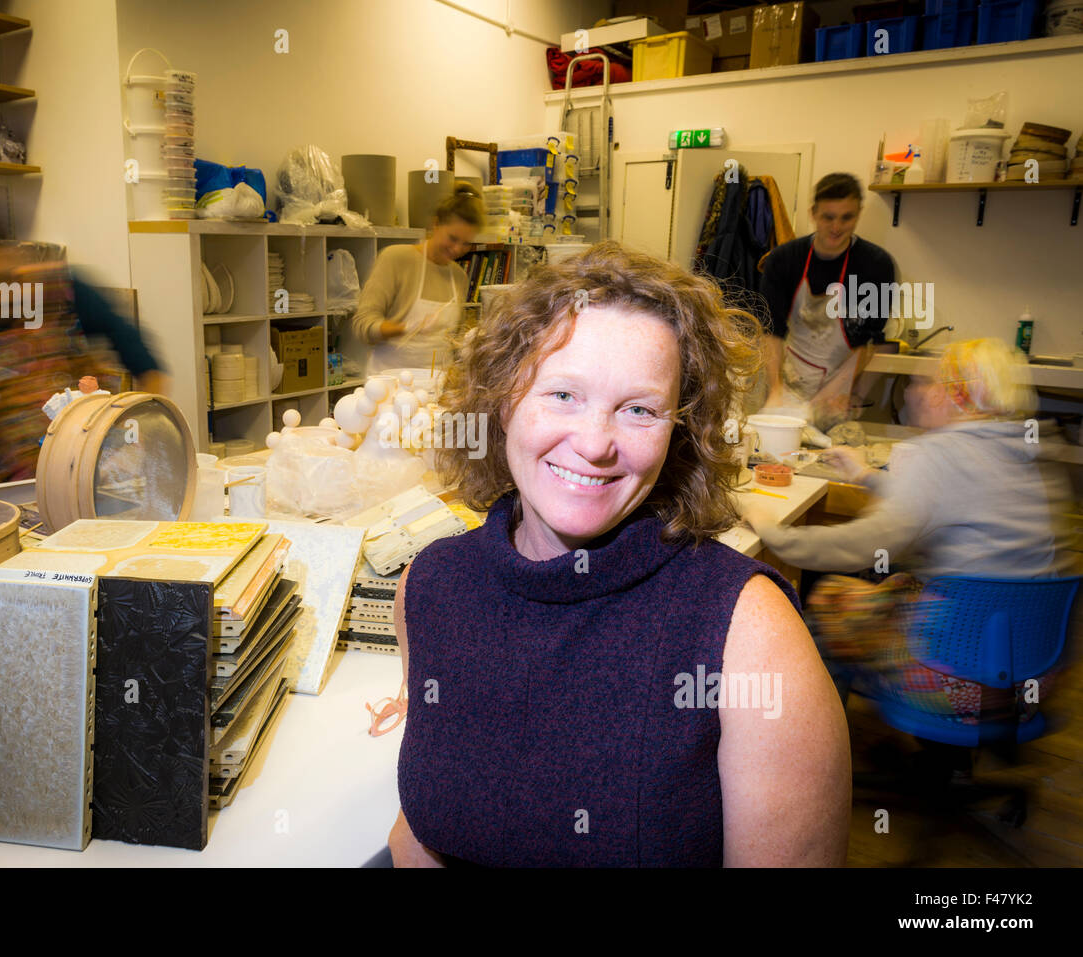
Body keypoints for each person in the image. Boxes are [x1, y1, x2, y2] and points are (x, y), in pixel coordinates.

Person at [388, 241, 850, 867]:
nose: (595, 443)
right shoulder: (431, 586)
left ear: (678, 432)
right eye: (562, 395)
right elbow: (419, 833)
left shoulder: (747, 630)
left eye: (638, 409)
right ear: (503, 401)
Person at [739, 338, 1076, 721]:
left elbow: (859, 546)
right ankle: (955, 761)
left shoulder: (933, 455)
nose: (916, 394)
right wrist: (867, 476)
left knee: (832, 596)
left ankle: (822, 740)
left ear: (952, 394)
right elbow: (954, 501)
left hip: (961, 680)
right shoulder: (1034, 448)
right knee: (902, 583)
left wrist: (772, 529)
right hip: (1032, 674)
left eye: (927, 383)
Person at [0, 235, 168, 492]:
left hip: (87, 471)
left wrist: (131, 433)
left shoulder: (65, 293)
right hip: (5, 488)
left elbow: (148, 368)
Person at [758, 172, 895, 428]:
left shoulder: (875, 265)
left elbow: (869, 342)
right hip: (790, 376)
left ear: (858, 214)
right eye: (828, 217)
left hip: (841, 381)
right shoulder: (784, 260)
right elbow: (771, 331)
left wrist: (846, 392)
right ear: (813, 213)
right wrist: (775, 390)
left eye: (847, 218)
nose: (836, 227)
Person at [352, 182, 482, 377]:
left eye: (466, 243)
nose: (457, 250)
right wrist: (404, 328)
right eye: (453, 238)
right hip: (389, 386)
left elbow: (453, 341)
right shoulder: (396, 259)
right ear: (436, 224)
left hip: (436, 385)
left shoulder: (459, 277)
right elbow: (362, 325)